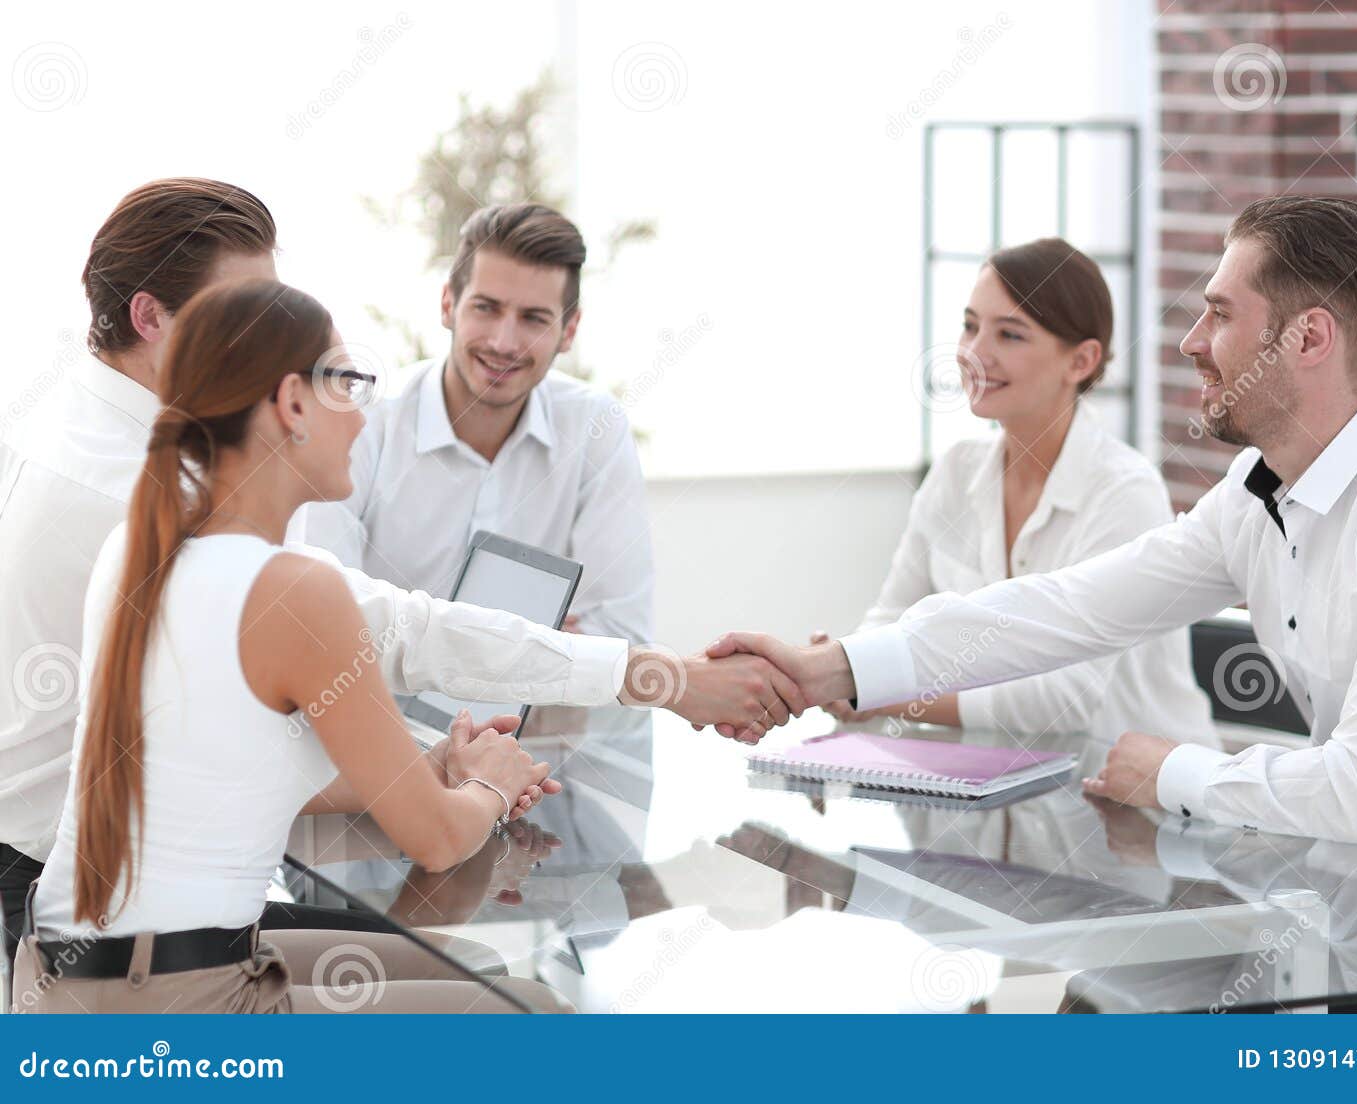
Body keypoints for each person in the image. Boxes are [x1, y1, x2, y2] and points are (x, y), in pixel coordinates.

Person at [0, 178, 797, 971]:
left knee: (467, 970)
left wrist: (428, 764)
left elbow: (269, 731)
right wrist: (484, 769)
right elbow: (396, 643)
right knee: (498, 993)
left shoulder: (105, 459)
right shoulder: (141, 502)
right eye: (243, 317)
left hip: (112, 934)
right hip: (121, 940)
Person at [705, 195, 1357, 897]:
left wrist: (1176, 769)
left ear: (1310, 336)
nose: (1190, 343)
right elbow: (1071, 608)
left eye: (1218, 314)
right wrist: (837, 671)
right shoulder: (1256, 492)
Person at [814, 239, 1216, 748]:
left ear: (1081, 361)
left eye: (1009, 334)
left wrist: (859, 684)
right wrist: (845, 664)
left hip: (1134, 805)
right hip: (998, 792)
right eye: (969, 326)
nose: (975, 354)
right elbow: (892, 620)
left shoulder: (1124, 492)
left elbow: (1060, 701)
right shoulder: (957, 471)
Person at [291, 204, 653, 644]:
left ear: (569, 330)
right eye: (486, 308)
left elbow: (619, 635)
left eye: (534, 319)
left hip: (538, 714)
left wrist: (408, 628)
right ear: (448, 304)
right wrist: (534, 642)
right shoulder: (363, 421)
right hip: (374, 706)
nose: (505, 343)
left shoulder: (595, 427)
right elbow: (325, 613)